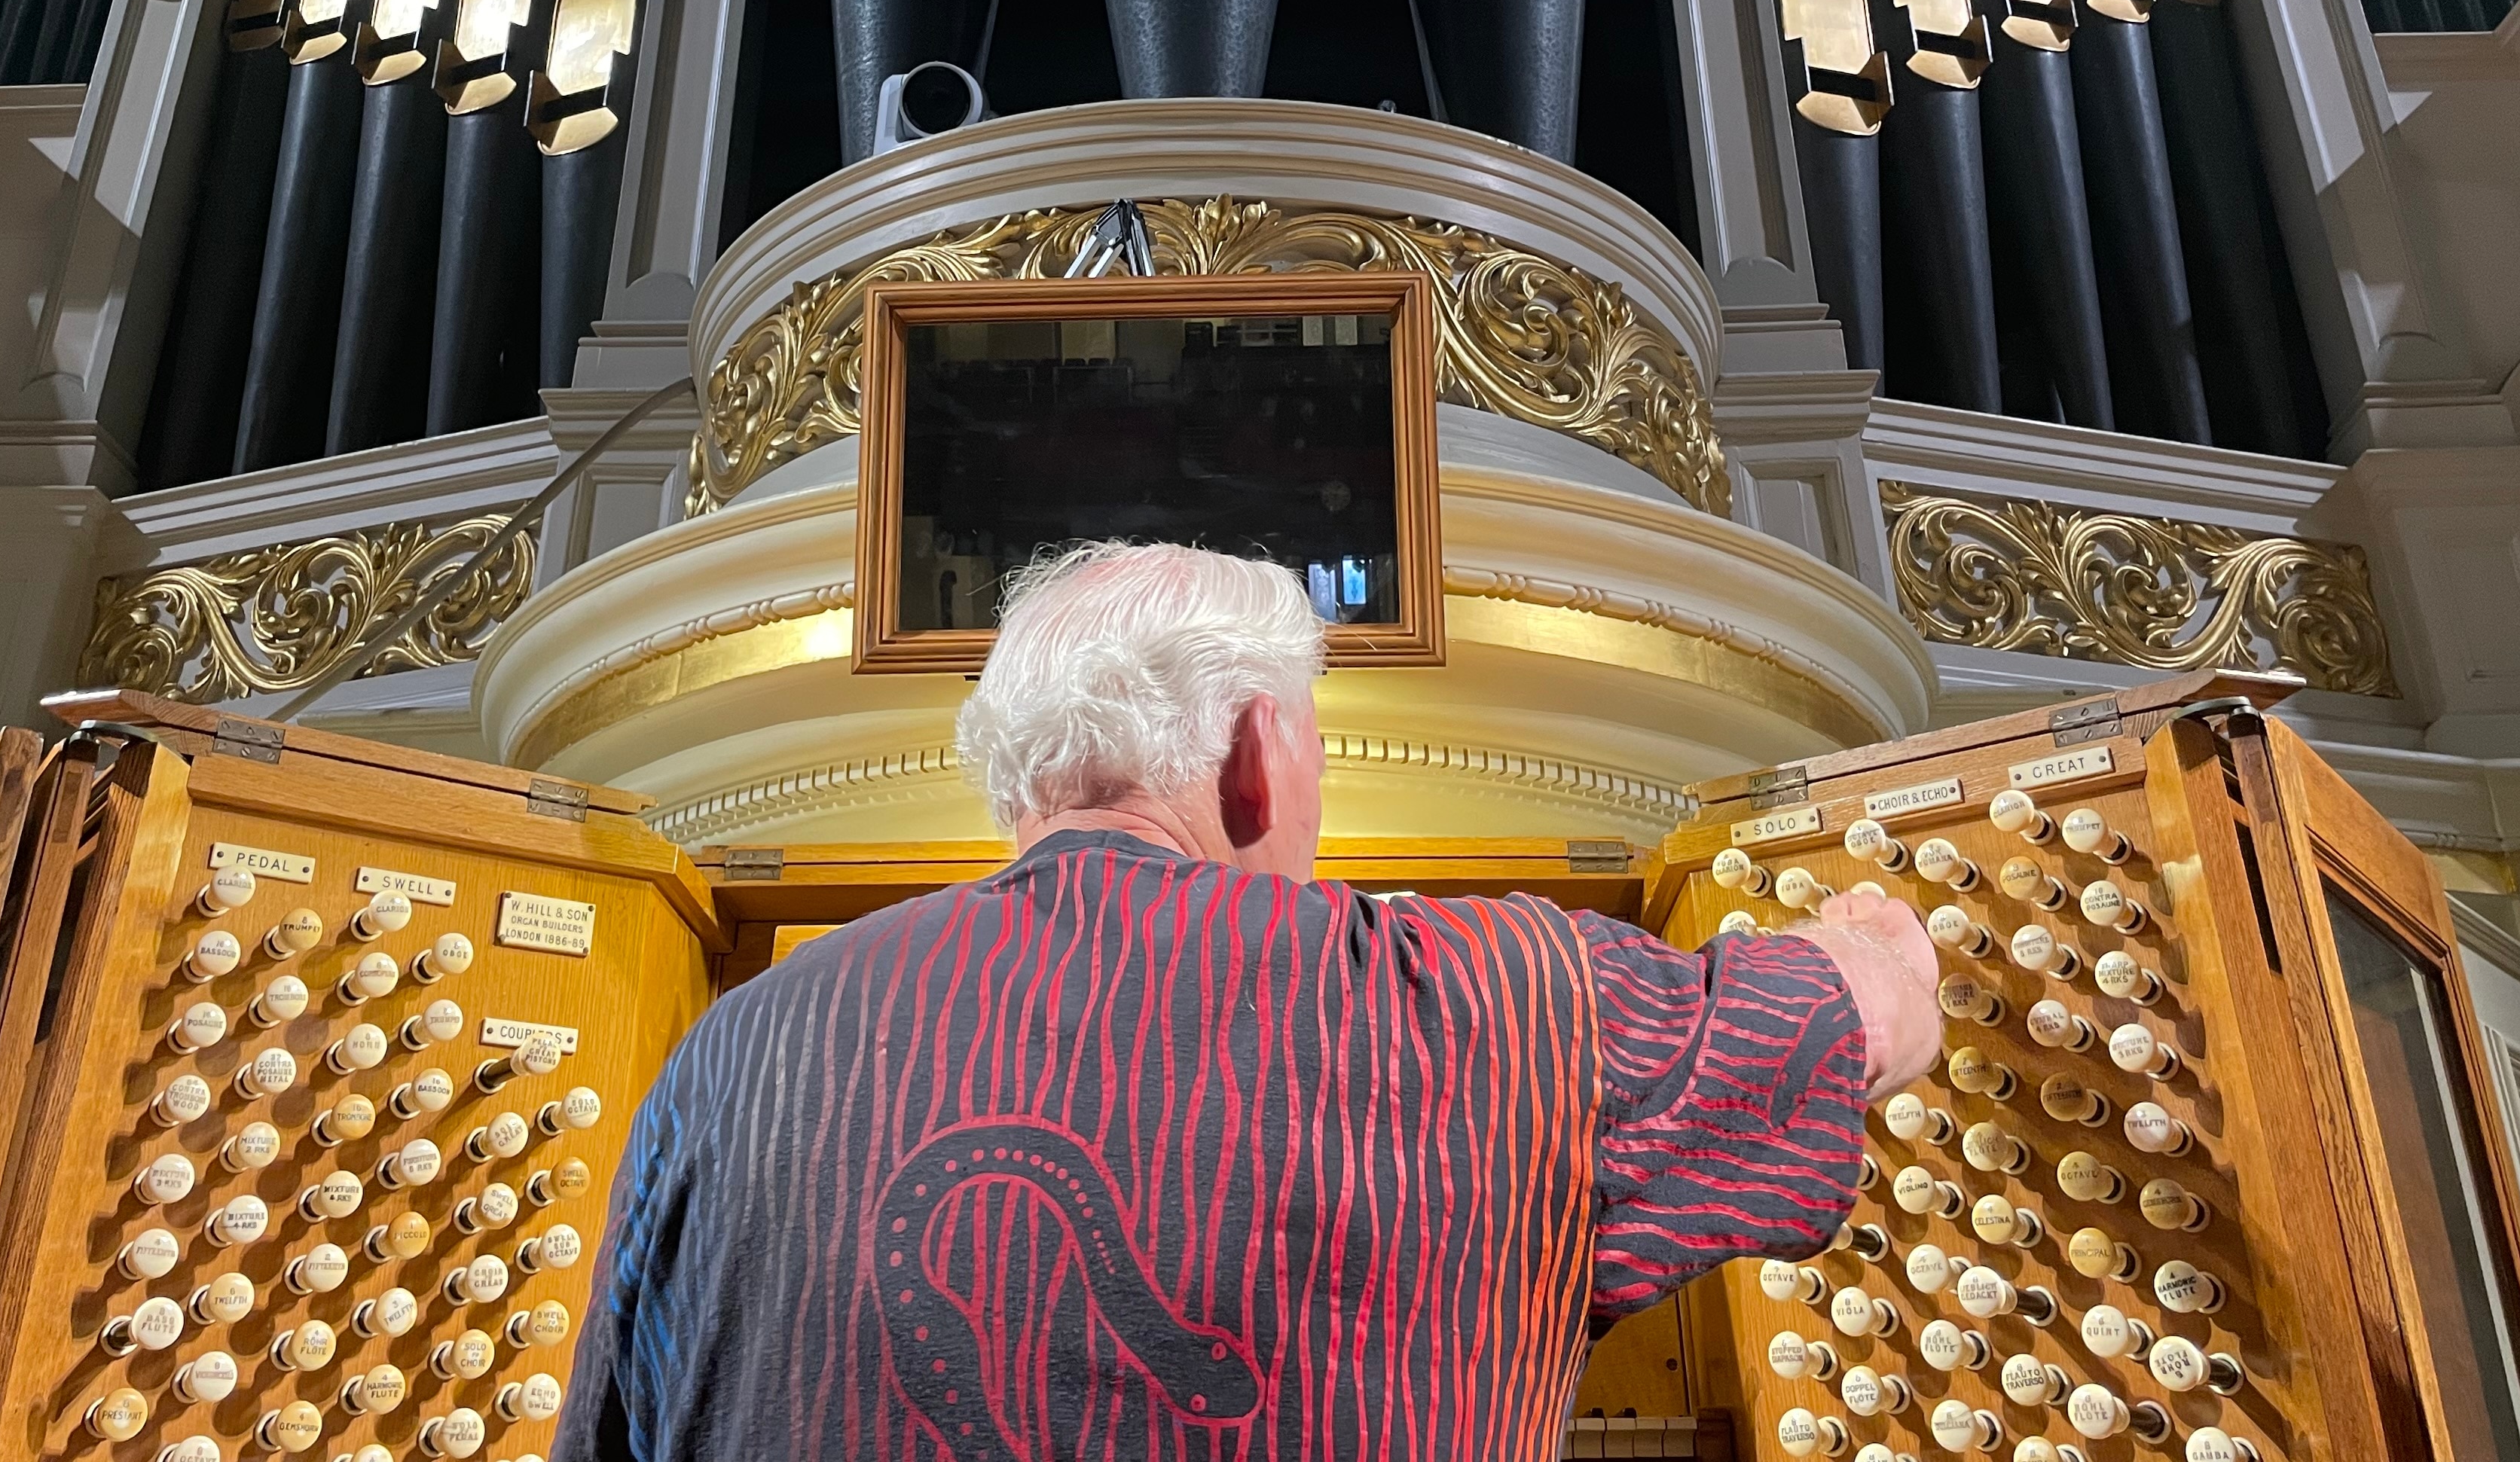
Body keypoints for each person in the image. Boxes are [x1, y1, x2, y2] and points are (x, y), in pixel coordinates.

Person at [554, 542, 1941, 1461]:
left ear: (1017, 781)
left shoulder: (729, 1055)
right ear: (1261, 756)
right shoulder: (1502, 1001)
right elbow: (1862, 1018)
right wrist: (1867, 935)